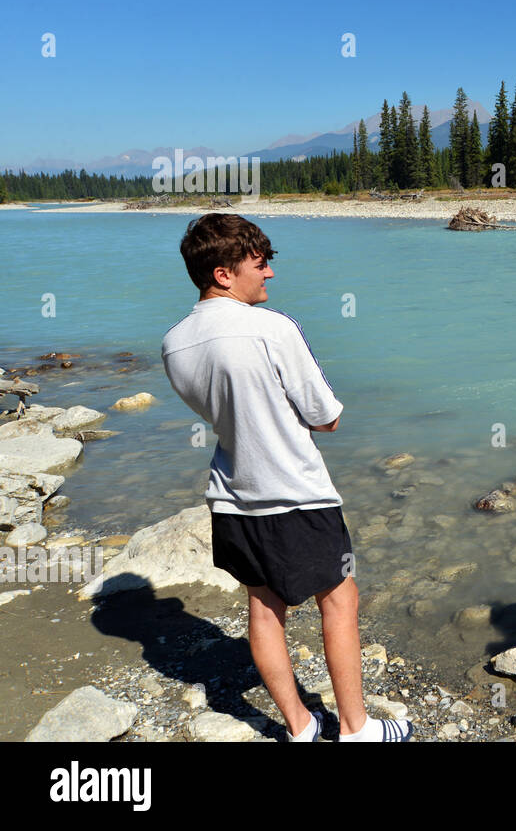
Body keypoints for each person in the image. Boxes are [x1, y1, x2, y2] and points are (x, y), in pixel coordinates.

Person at [161, 213, 412, 742]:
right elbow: (327, 416)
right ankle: (355, 728)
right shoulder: (273, 328)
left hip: (232, 495)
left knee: (264, 605)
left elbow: (222, 409)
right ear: (224, 274)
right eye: (260, 263)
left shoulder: (174, 342)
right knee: (340, 598)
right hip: (295, 491)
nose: (270, 274)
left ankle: (300, 726)